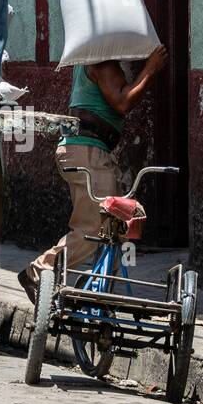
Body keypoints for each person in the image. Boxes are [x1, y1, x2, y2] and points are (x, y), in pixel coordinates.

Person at [19, 47, 168, 303]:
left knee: (112, 227)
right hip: (88, 152)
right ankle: (40, 270)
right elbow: (122, 102)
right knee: (96, 229)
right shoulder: (101, 61)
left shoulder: (92, 55)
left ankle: (100, 295)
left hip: (88, 150)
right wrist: (150, 69)